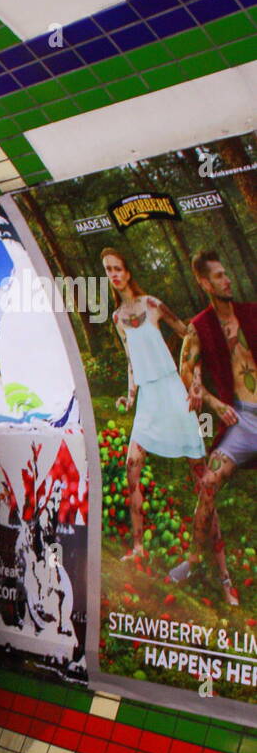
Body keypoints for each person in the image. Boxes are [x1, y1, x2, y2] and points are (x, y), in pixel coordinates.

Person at [102, 247, 204, 562]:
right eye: (108, 270)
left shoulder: (153, 305)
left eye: (118, 268)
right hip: (146, 397)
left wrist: (196, 380)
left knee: (197, 469)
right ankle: (138, 548)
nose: (114, 275)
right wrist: (130, 395)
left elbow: (190, 334)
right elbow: (131, 360)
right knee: (132, 466)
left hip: (172, 389)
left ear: (128, 272)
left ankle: (203, 549)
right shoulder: (118, 318)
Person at [168, 250, 257, 604]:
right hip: (242, 420)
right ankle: (192, 560)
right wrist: (216, 403)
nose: (227, 279)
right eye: (218, 276)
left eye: (226, 274)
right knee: (208, 485)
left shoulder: (250, 314)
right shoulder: (199, 327)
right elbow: (186, 373)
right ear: (204, 282)